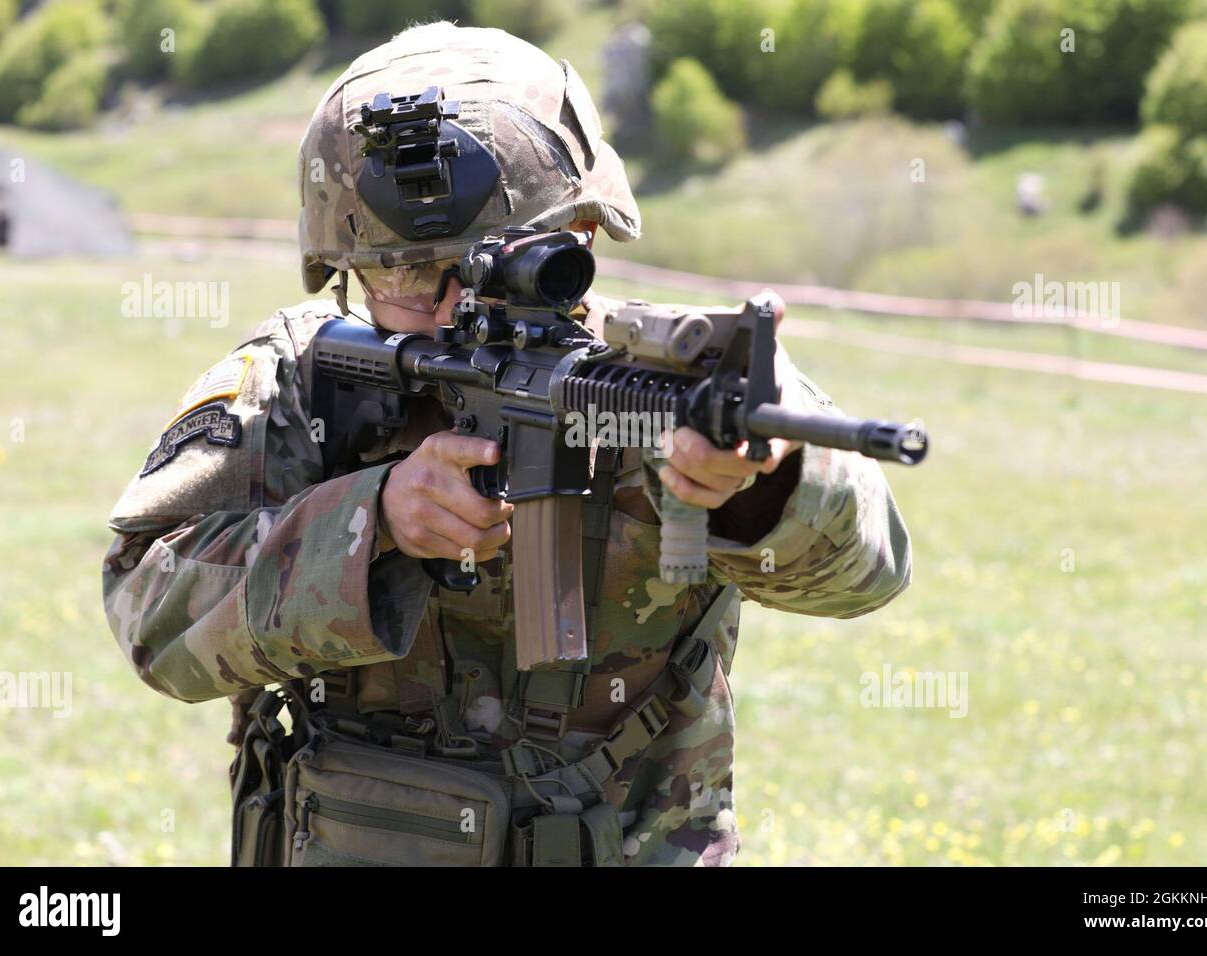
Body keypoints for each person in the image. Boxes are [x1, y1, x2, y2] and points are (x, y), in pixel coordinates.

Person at [102, 21, 913, 867]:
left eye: (510, 265)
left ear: (582, 237)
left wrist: (759, 488)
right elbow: (147, 615)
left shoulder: (664, 373)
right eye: (409, 276)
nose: (456, 308)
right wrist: (370, 522)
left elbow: (872, 573)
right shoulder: (301, 379)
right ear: (345, 267)